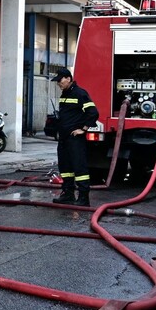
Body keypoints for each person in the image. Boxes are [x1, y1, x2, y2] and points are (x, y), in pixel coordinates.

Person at [51, 67, 99, 207]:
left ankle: (83, 198)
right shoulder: (64, 94)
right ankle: (68, 194)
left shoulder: (80, 93)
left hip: (75, 139)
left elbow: (93, 112)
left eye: (60, 80)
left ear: (68, 78)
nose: (58, 83)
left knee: (79, 167)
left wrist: (83, 129)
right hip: (64, 138)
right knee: (65, 167)